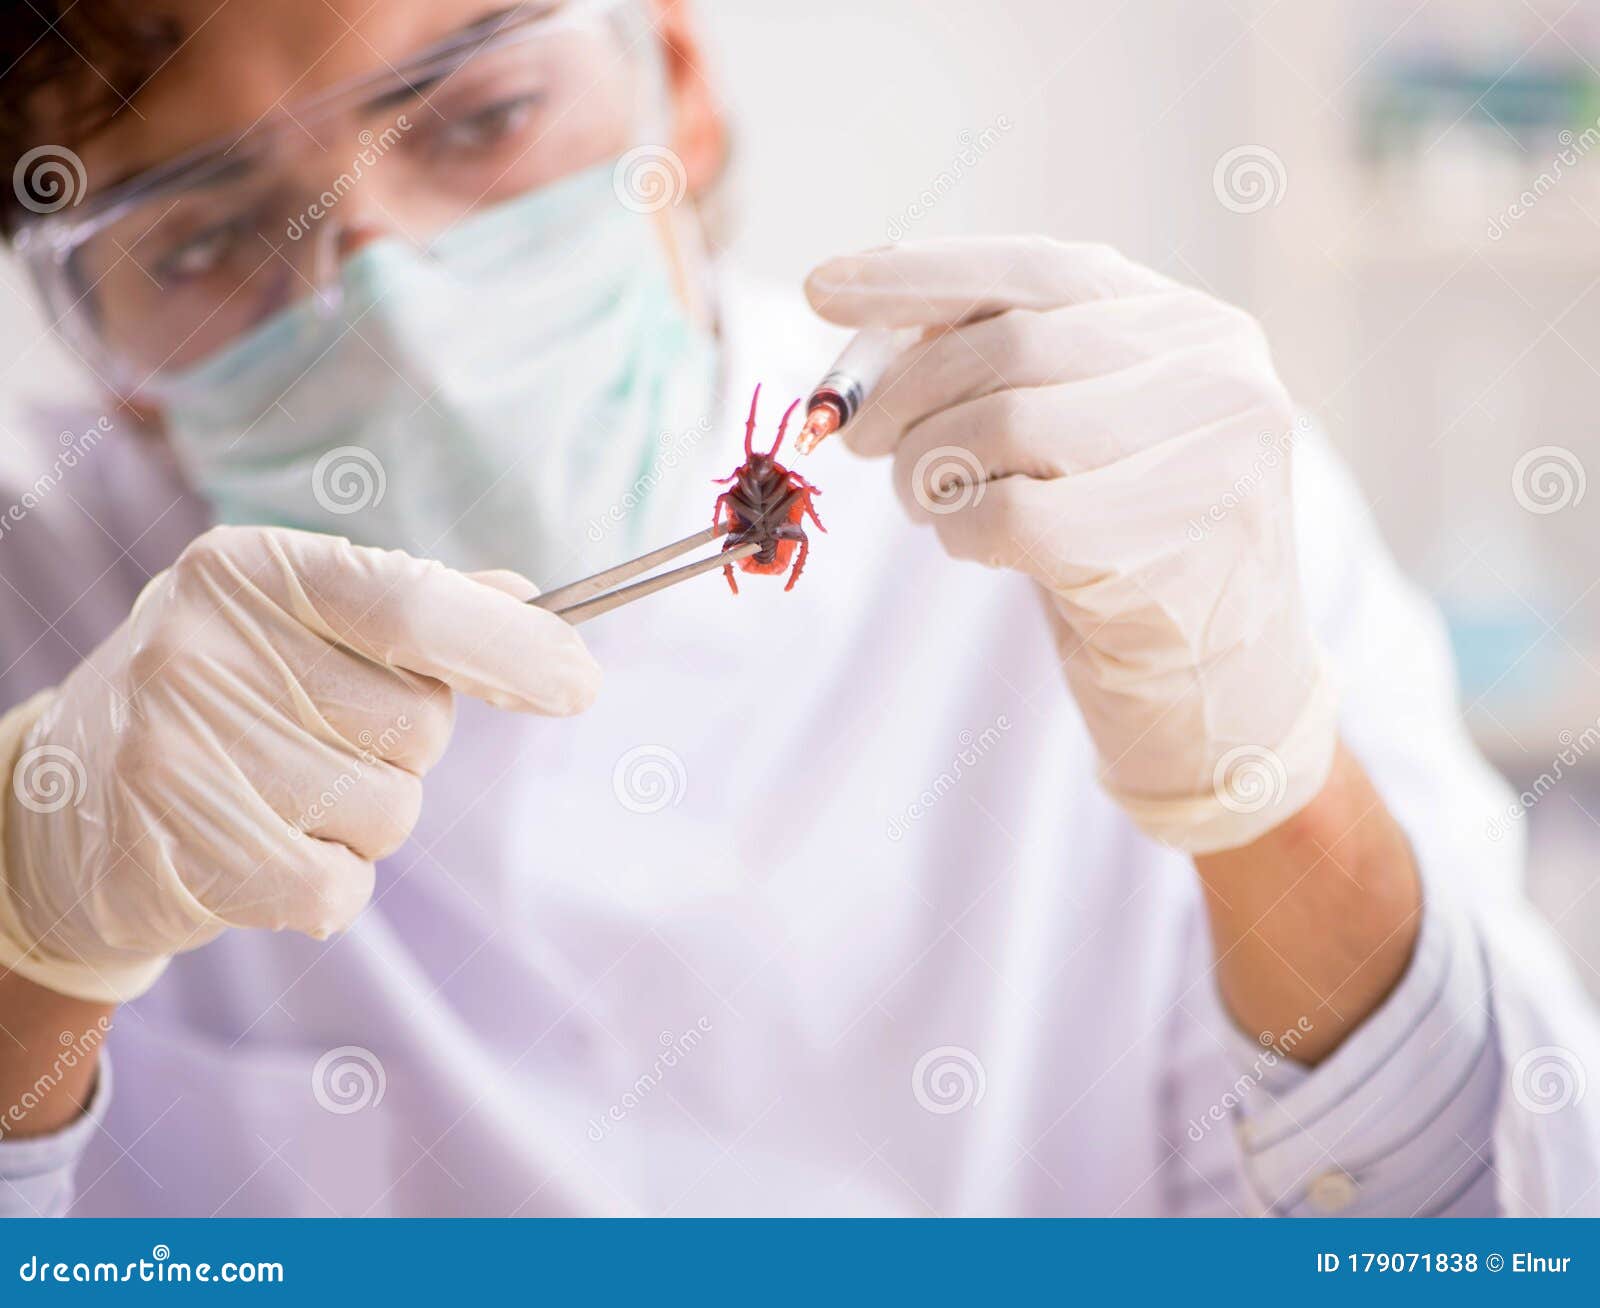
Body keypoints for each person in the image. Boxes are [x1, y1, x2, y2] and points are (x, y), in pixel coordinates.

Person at [0, 0, 1593, 1218]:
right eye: (207, 239)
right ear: (104, 360)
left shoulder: (1126, 483)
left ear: (673, 88)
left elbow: (1487, 1231)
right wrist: (32, 948)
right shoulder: (39, 625)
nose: (393, 298)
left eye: (477, 117)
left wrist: (1269, 785)